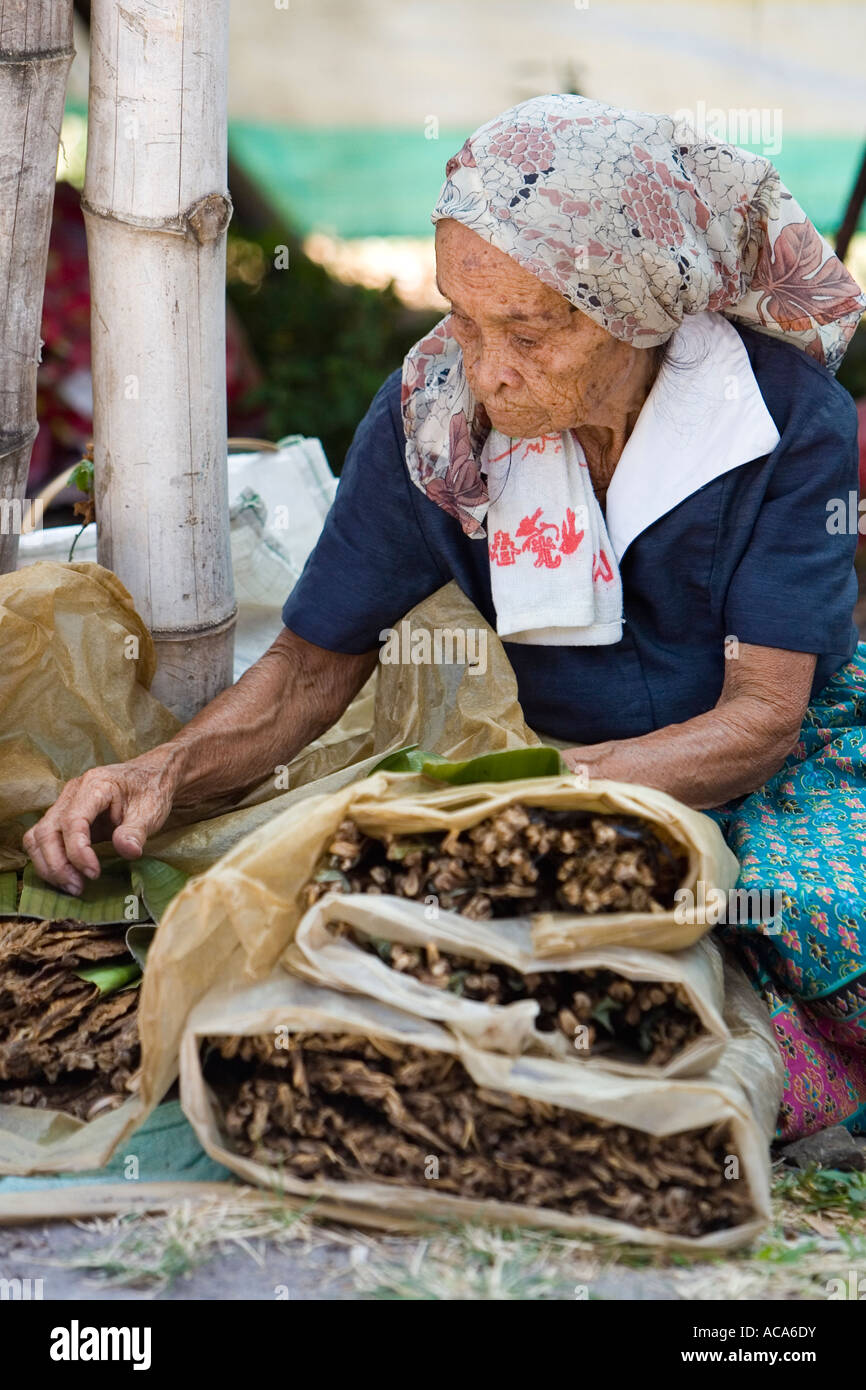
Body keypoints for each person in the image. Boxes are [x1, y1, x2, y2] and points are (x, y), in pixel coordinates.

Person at [23, 95, 866, 1140]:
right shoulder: (432, 420)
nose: (484, 368)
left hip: (770, 768)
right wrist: (157, 774)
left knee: (816, 908)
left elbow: (759, 718)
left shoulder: (778, 422)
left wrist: (519, 804)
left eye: (527, 330)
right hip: (554, 781)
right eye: (460, 319)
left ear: (640, 312)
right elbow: (304, 670)